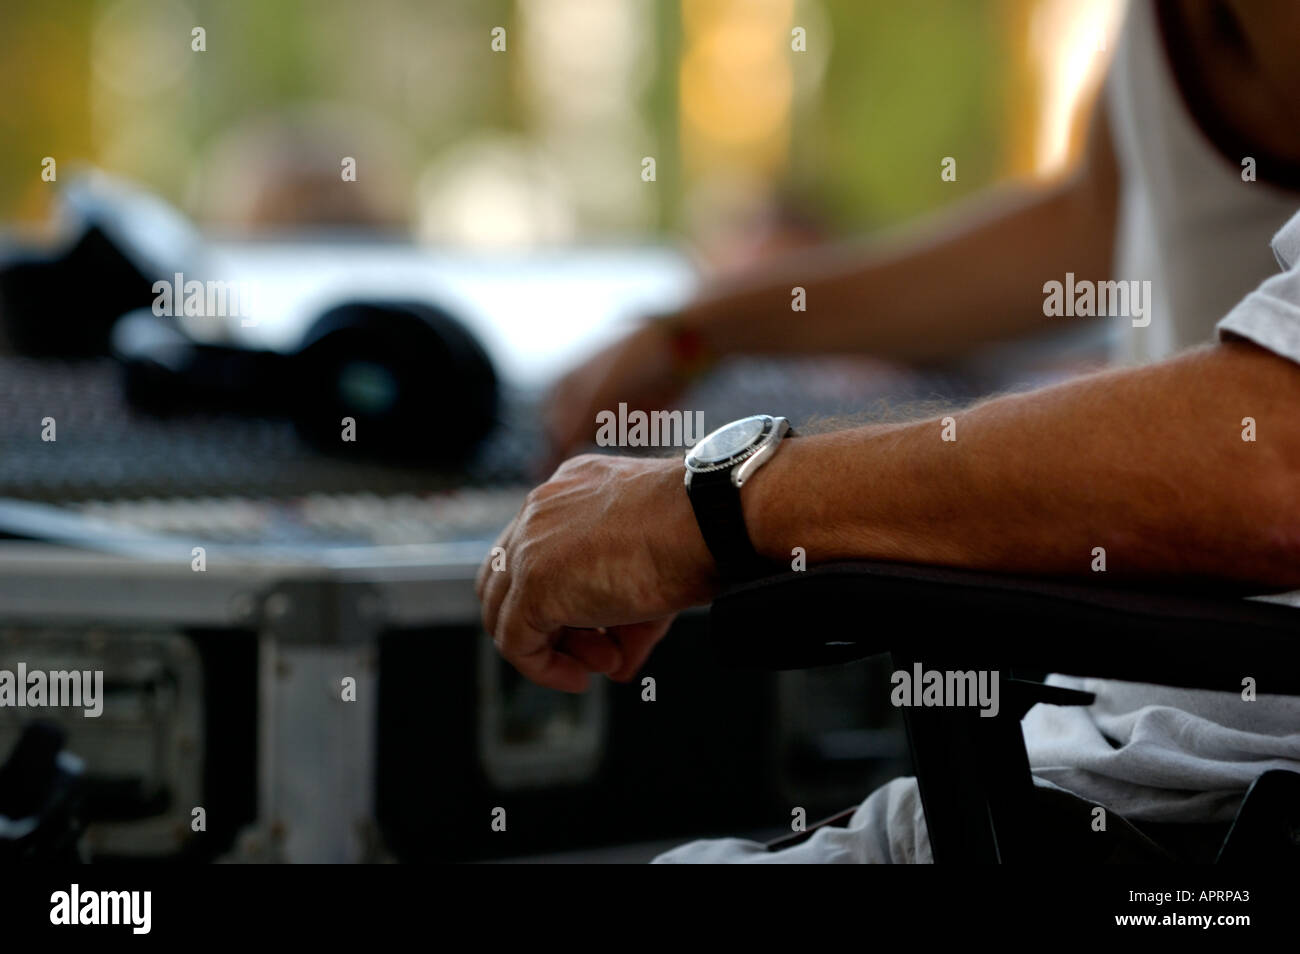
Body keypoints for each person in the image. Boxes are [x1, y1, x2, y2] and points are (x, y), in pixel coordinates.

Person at [479, 0, 1300, 862]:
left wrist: (708, 507)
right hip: (1130, 764)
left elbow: (1274, 457)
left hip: (1212, 805)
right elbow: (1092, 220)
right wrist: (699, 330)